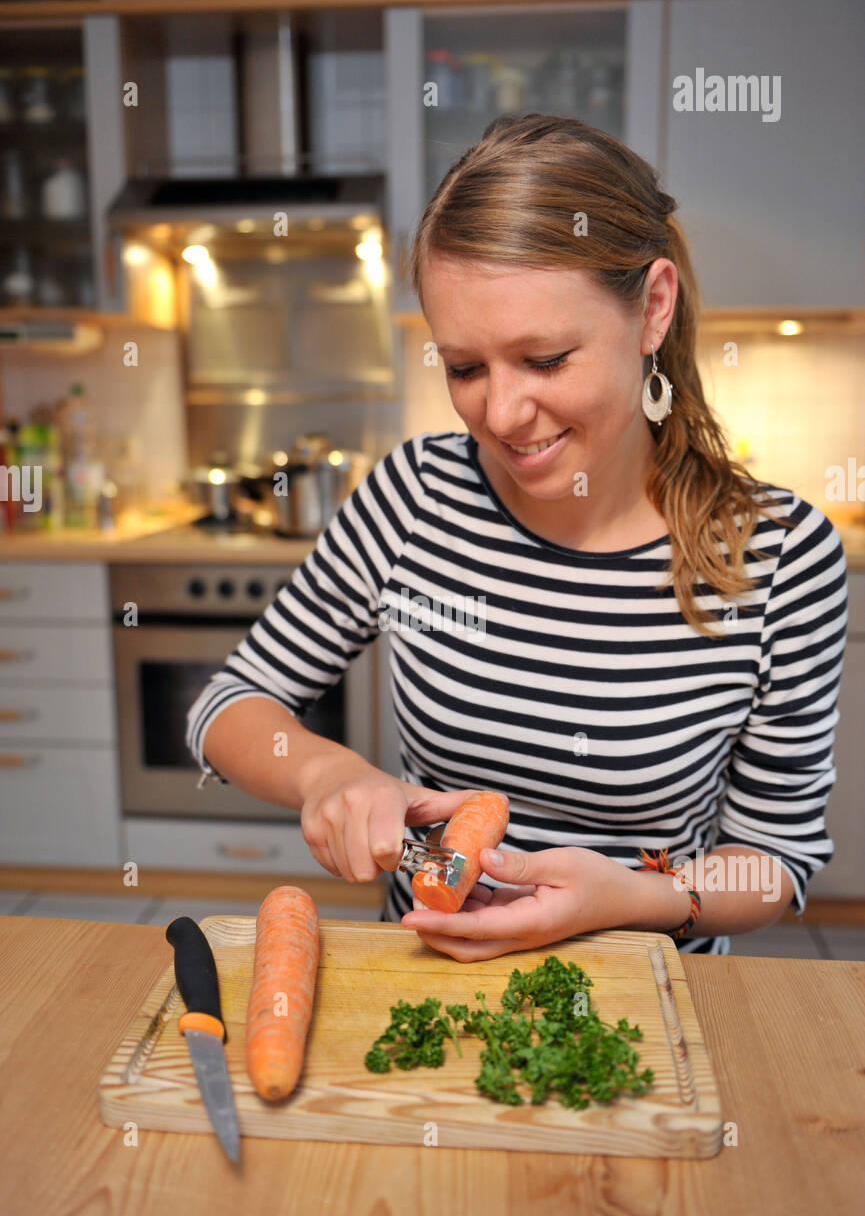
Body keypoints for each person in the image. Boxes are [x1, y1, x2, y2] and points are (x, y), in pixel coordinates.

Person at [187, 114, 848, 963]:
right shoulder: (414, 495)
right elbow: (228, 704)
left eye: (543, 360)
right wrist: (329, 775)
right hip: (429, 986)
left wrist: (638, 898)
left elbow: (776, 864)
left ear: (651, 307)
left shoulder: (781, 556)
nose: (499, 415)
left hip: (643, 1008)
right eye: (464, 367)